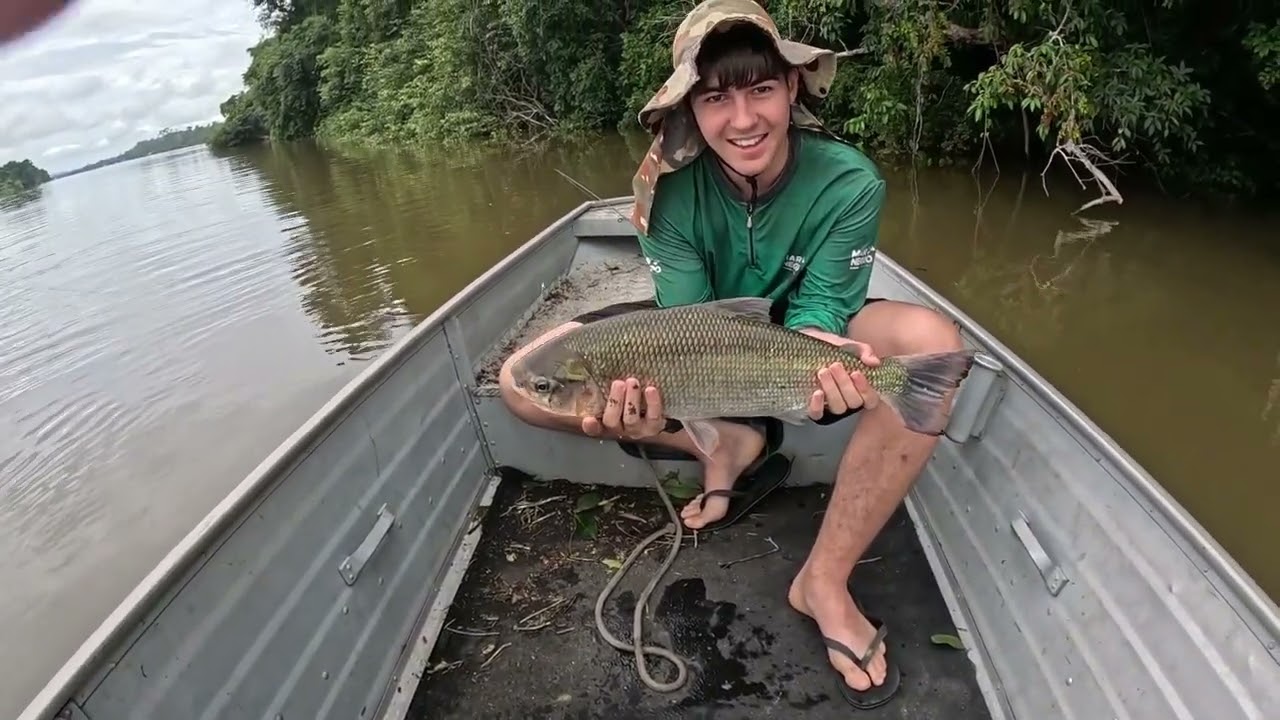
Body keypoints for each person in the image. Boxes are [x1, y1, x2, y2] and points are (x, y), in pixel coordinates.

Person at [498, 0, 965, 709]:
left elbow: (822, 306)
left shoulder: (850, 181)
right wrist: (647, 416)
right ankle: (725, 444)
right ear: (690, 108)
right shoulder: (666, 189)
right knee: (517, 383)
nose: (743, 120)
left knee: (933, 343)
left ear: (792, 89)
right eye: (716, 98)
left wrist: (816, 346)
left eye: (761, 90)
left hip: (802, 334)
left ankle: (823, 581)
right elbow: (686, 324)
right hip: (701, 339)